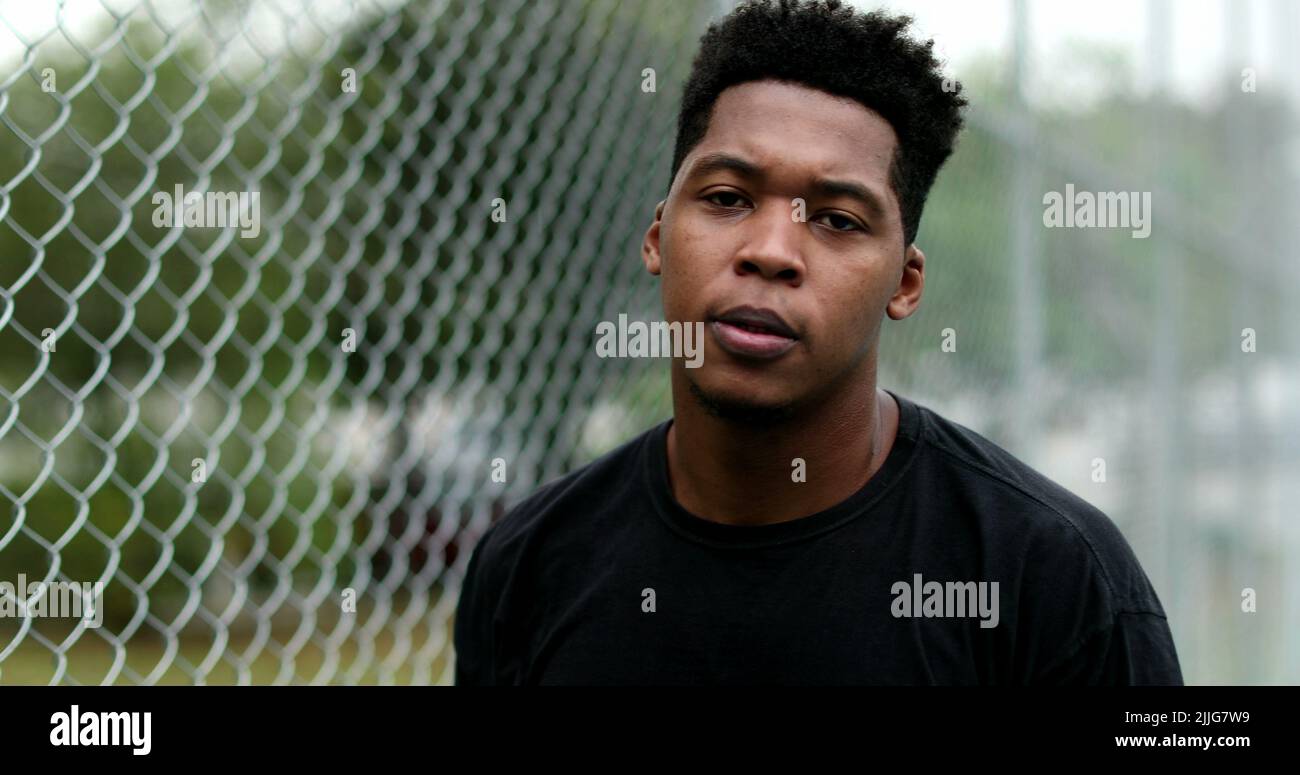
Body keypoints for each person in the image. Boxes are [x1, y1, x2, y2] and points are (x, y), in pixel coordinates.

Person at [454, 0, 1183, 685]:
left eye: (836, 219)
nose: (771, 251)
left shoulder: (1053, 579)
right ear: (657, 236)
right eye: (727, 198)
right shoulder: (528, 565)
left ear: (905, 282)